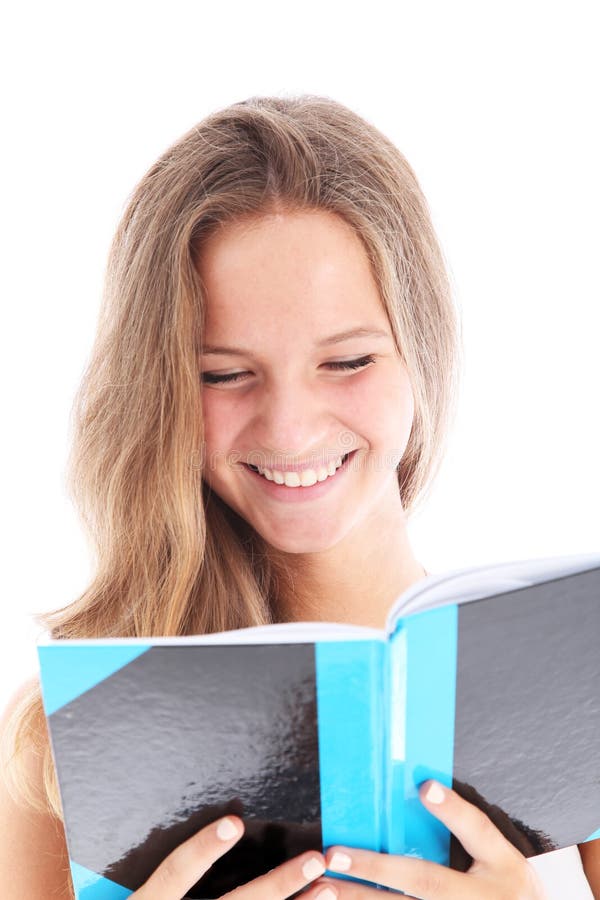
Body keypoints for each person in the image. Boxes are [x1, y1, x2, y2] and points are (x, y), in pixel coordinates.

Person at [0, 95, 598, 900]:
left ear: (419, 353)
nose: (289, 428)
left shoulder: (572, 679)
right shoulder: (63, 739)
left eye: (347, 361)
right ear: (165, 389)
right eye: (224, 374)